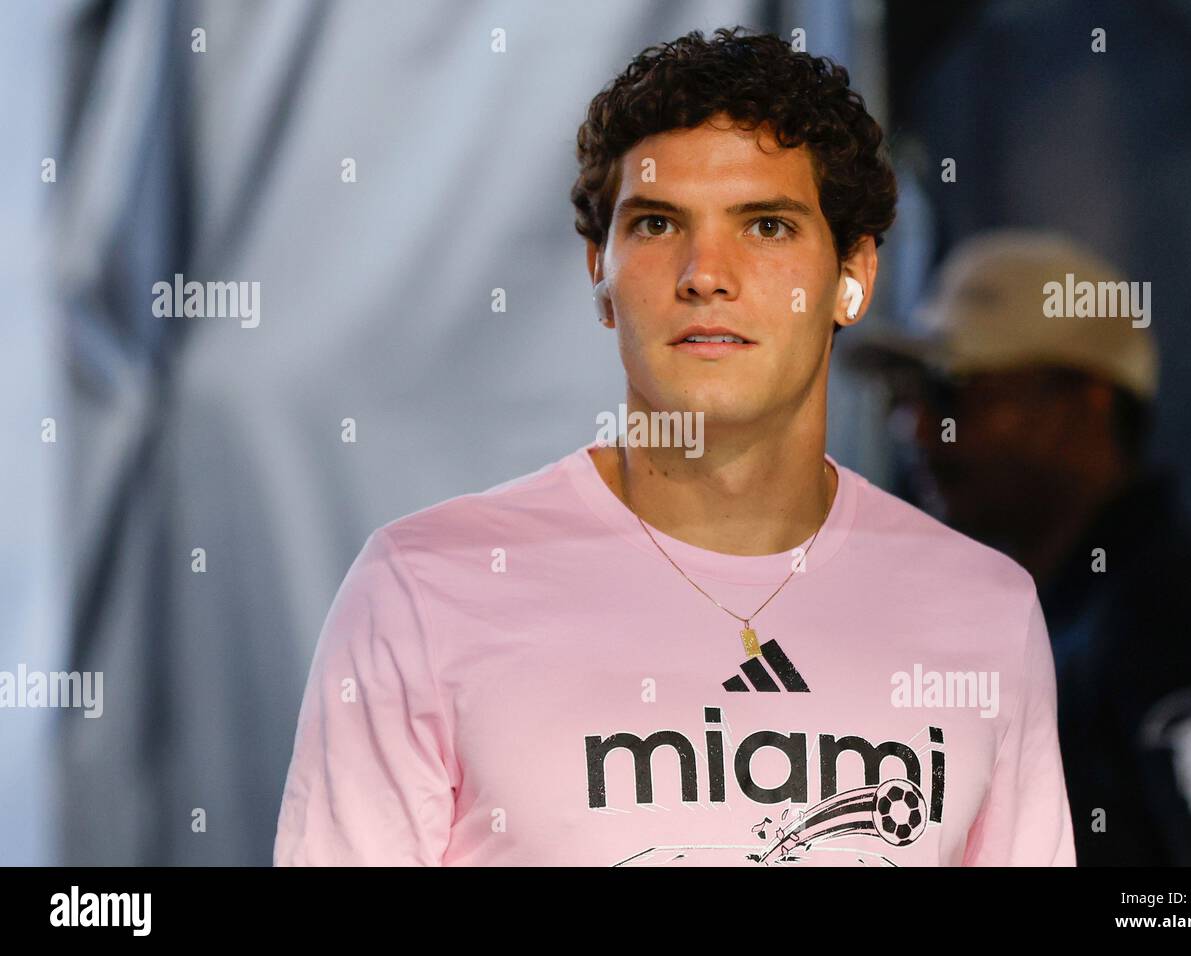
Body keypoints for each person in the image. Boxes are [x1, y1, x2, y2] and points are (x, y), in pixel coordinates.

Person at [273, 28, 1074, 867]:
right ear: (600, 274)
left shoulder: (982, 610)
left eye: (765, 225)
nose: (705, 273)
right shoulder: (422, 590)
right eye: (657, 223)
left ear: (854, 276)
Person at [851, 229, 1191, 864]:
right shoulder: (1066, 612)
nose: (918, 427)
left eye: (952, 389)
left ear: (1085, 402)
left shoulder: (1177, 616)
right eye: (908, 396)